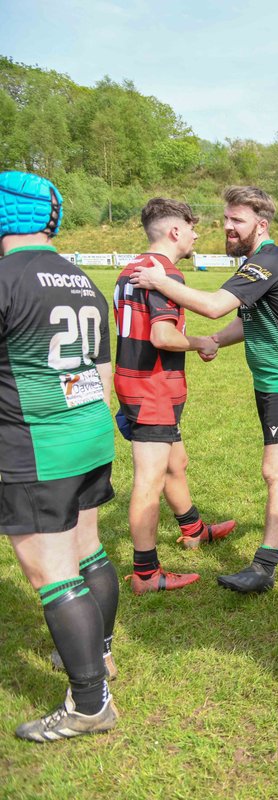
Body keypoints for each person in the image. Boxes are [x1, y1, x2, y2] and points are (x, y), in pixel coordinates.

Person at [131, 186, 278, 591]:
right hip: (274, 379)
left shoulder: (267, 262)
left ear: (261, 224)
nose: (227, 227)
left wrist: (159, 280)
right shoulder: (256, 263)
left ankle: (263, 568)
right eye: (226, 218)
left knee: (275, 470)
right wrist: (217, 341)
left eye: (236, 220)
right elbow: (247, 318)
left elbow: (212, 304)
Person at [0, 171, 119, 740]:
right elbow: (102, 372)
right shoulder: (80, 279)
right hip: (90, 434)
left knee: (52, 572)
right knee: (88, 549)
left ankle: (90, 703)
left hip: (35, 445)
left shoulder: (4, 279)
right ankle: (101, 656)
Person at [112, 199, 237, 595]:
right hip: (152, 388)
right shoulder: (163, 272)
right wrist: (201, 340)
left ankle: (193, 529)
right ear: (175, 231)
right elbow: (162, 336)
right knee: (149, 480)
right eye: (192, 226)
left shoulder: (129, 269)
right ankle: (147, 574)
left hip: (138, 382)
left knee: (176, 461)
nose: (197, 234)